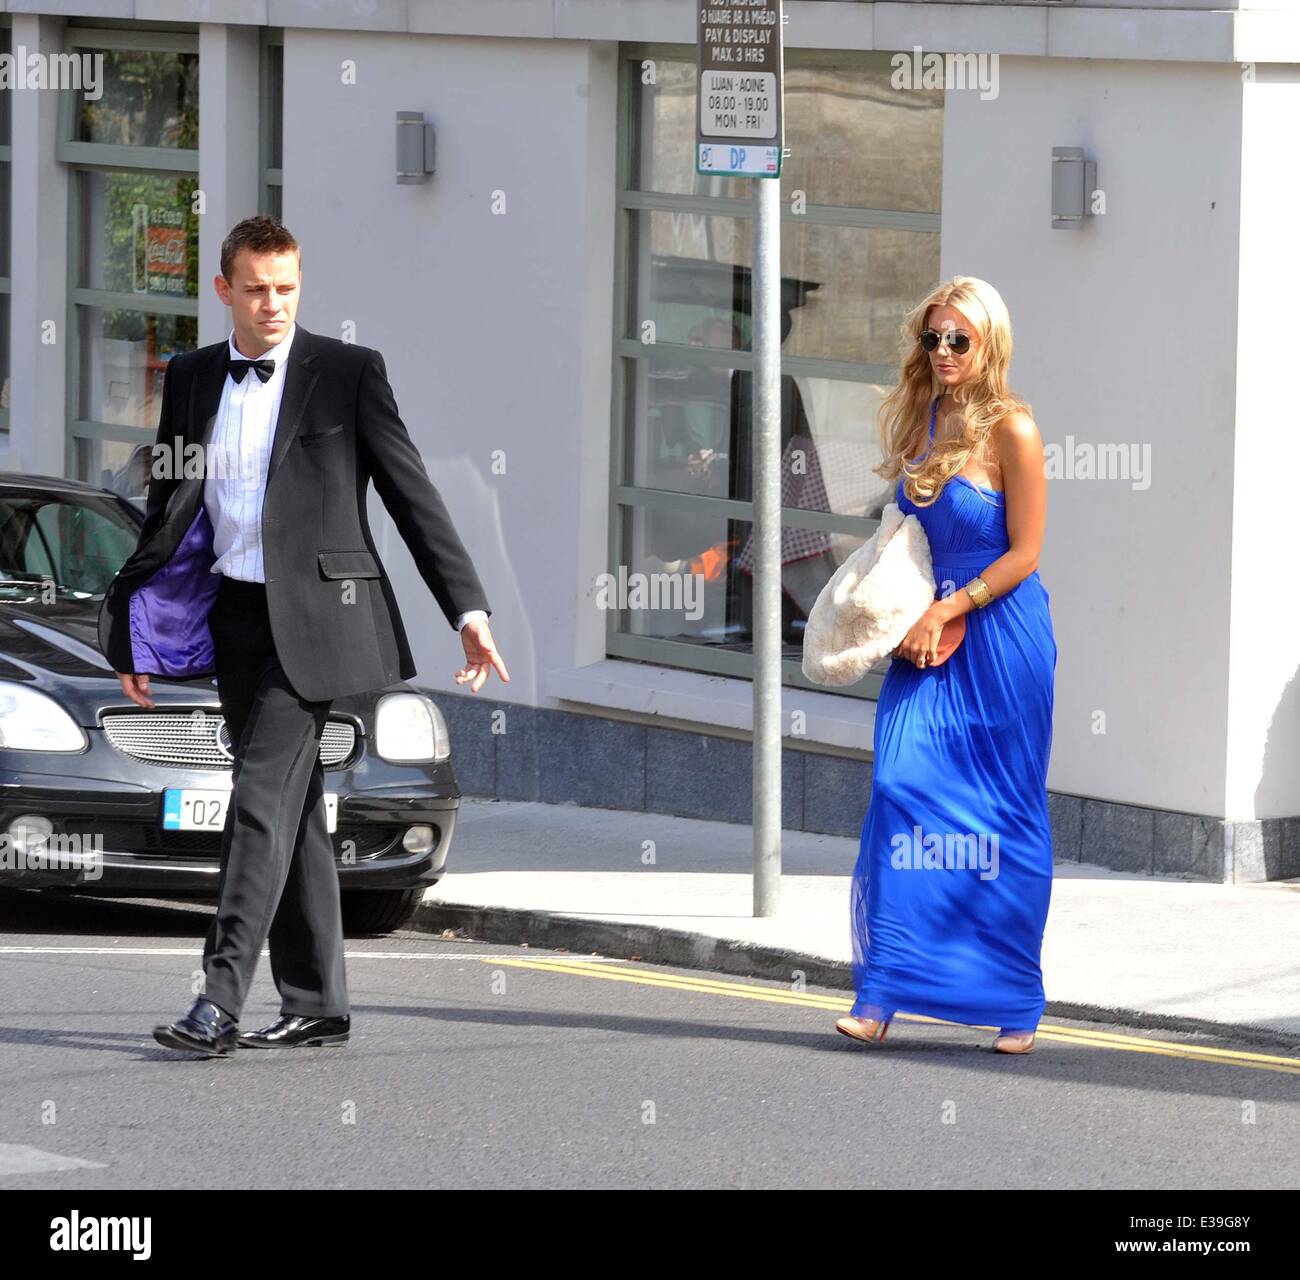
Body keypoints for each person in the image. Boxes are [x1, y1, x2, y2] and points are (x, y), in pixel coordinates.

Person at [98, 215, 509, 1056]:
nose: (274, 303)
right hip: (235, 618)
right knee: (291, 815)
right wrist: (133, 633)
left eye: (287, 288)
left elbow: (410, 493)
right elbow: (168, 513)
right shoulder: (192, 376)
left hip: (319, 626)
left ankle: (216, 1001)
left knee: (257, 799)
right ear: (225, 291)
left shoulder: (348, 374)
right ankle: (318, 998)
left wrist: (467, 610)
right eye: (257, 289)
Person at [835, 276, 1056, 1055]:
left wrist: (950, 608)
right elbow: (912, 529)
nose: (943, 352)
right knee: (900, 789)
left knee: (1002, 816)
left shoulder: (1013, 430)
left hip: (1001, 636)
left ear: (989, 341)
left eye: (958, 339)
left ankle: (1015, 1000)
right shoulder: (927, 413)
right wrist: (901, 603)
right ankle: (883, 990)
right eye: (933, 338)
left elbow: (1026, 552)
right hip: (927, 635)